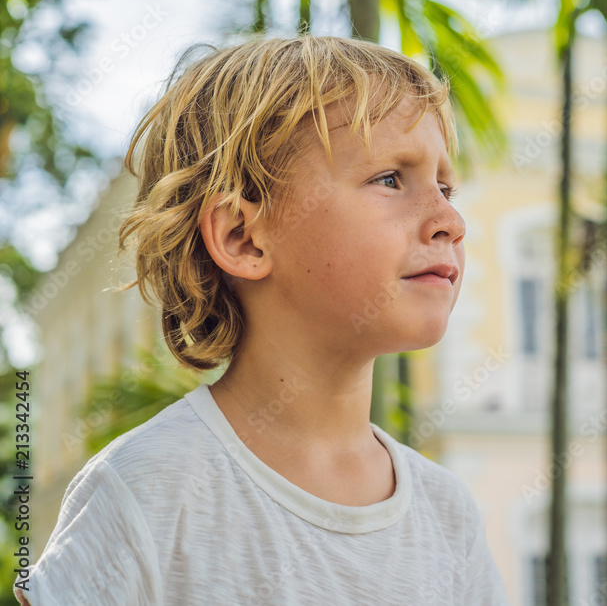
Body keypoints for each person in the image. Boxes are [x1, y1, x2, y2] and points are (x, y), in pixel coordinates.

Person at [14, 35, 509, 605]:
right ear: (243, 238)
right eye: (390, 179)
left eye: (445, 187)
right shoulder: (144, 490)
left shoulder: (449, 515)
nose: (450, 218)